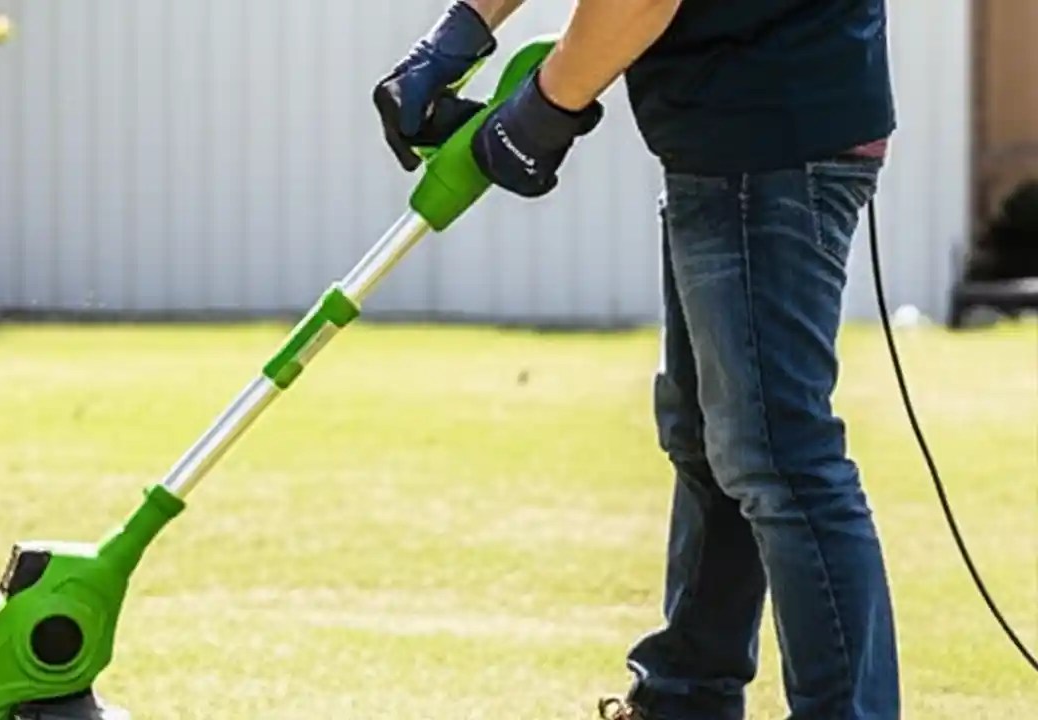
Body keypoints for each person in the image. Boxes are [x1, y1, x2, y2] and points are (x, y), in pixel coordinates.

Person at [373, 1, 900, 718]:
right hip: (725, 139)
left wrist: (546, 107)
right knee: (711, 442)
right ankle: (687, 698)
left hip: (773, 131)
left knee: (777, 450)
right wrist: (458, 33)